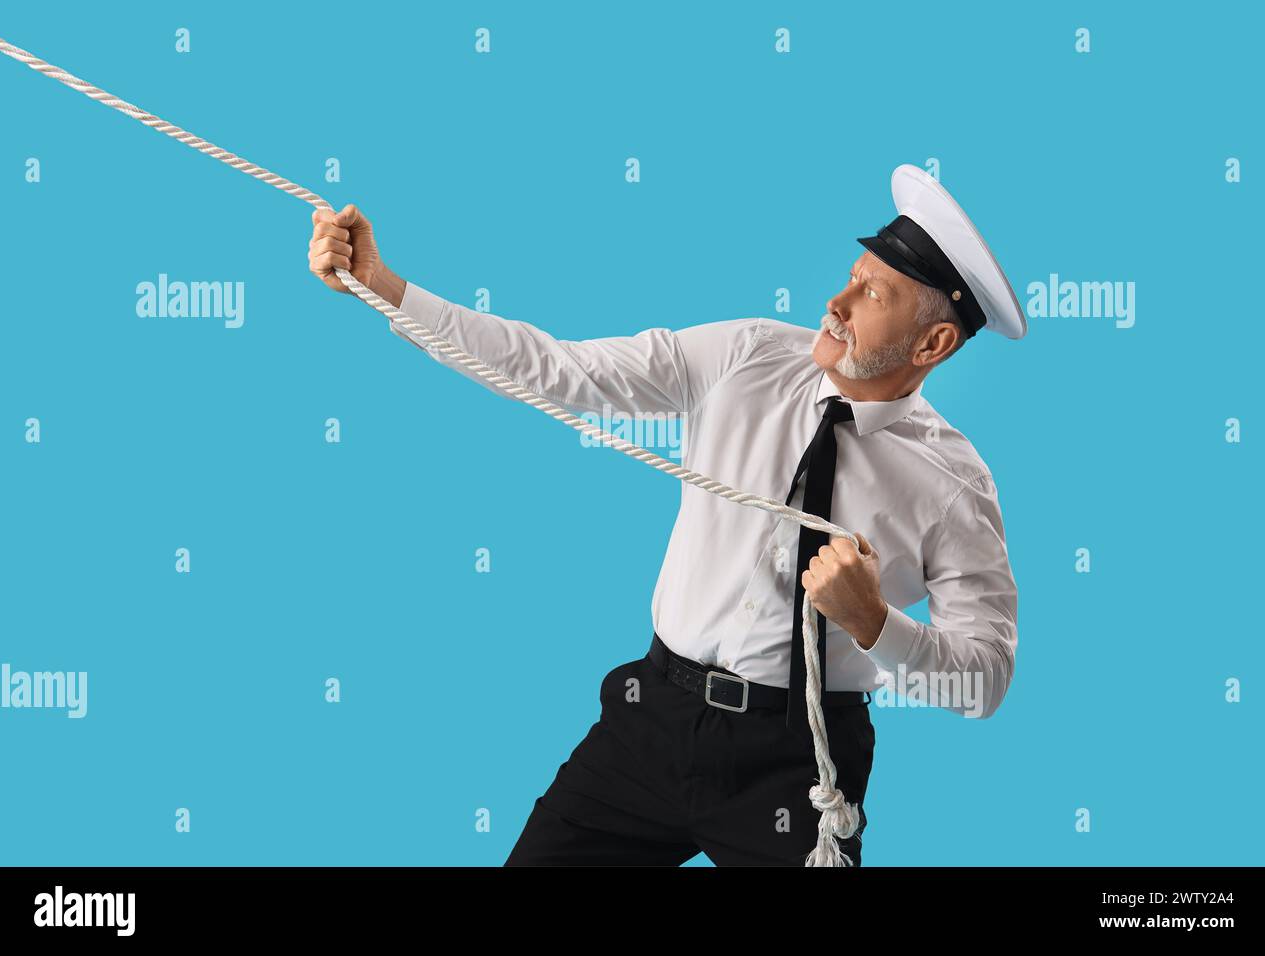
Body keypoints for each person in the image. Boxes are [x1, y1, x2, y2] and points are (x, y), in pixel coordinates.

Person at [307, 164, 1026, 866]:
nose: (836, 302)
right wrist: (385, 289)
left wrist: (875, 623)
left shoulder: (954, 487)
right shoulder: (744, 357)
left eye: (873, 294)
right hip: (650, 722)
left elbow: (984, 679)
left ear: (932, 344)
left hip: (797, 764)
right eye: (850, 276)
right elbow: (552, 367)